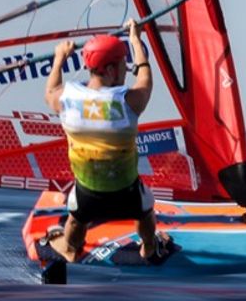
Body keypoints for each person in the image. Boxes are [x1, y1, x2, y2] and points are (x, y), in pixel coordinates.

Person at [43, 19, 173, 264]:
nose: (127, 68)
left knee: (76, 216)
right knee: (146, 210)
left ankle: (70, 247)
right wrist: (135, 39)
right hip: (127, 191)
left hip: (87, 192)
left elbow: (50, 91)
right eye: (124, 64)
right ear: (112, 70)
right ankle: (148, 247)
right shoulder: (127, 102)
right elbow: (145, 79)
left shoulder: (67, 99)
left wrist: (59, 56)